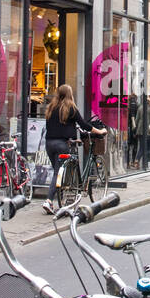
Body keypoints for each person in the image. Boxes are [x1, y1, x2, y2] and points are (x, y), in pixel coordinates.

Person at [42, 83, 101, 213]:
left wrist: (73, 137)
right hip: (62, 145)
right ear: (70, 95)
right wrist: (99, 131)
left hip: (49, 144)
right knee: (58, 173)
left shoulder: (51, 107)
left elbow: (56, 127)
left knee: (57, 173)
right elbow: (84, 125)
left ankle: (60, 197)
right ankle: (49, 201)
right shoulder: (70, 108)